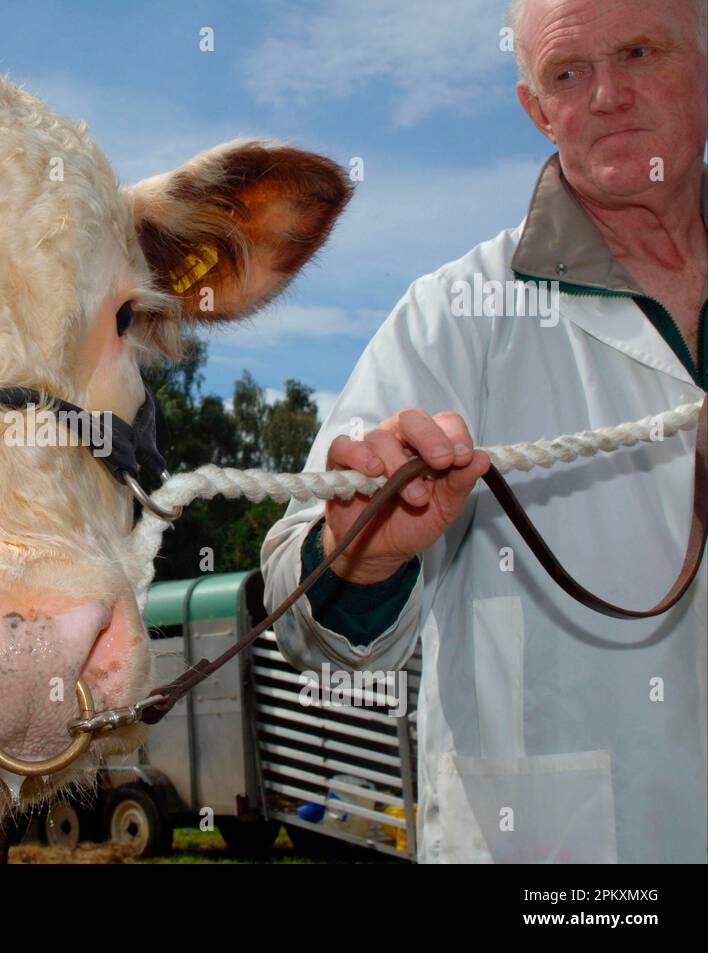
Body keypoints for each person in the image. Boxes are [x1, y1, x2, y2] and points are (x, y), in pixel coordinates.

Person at [260, 0, 707, 862]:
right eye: (568, 74)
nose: (607, 95)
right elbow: (302, 619)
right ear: (537, 111)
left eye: (641, 52)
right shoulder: (454, 317)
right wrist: (364, 550)